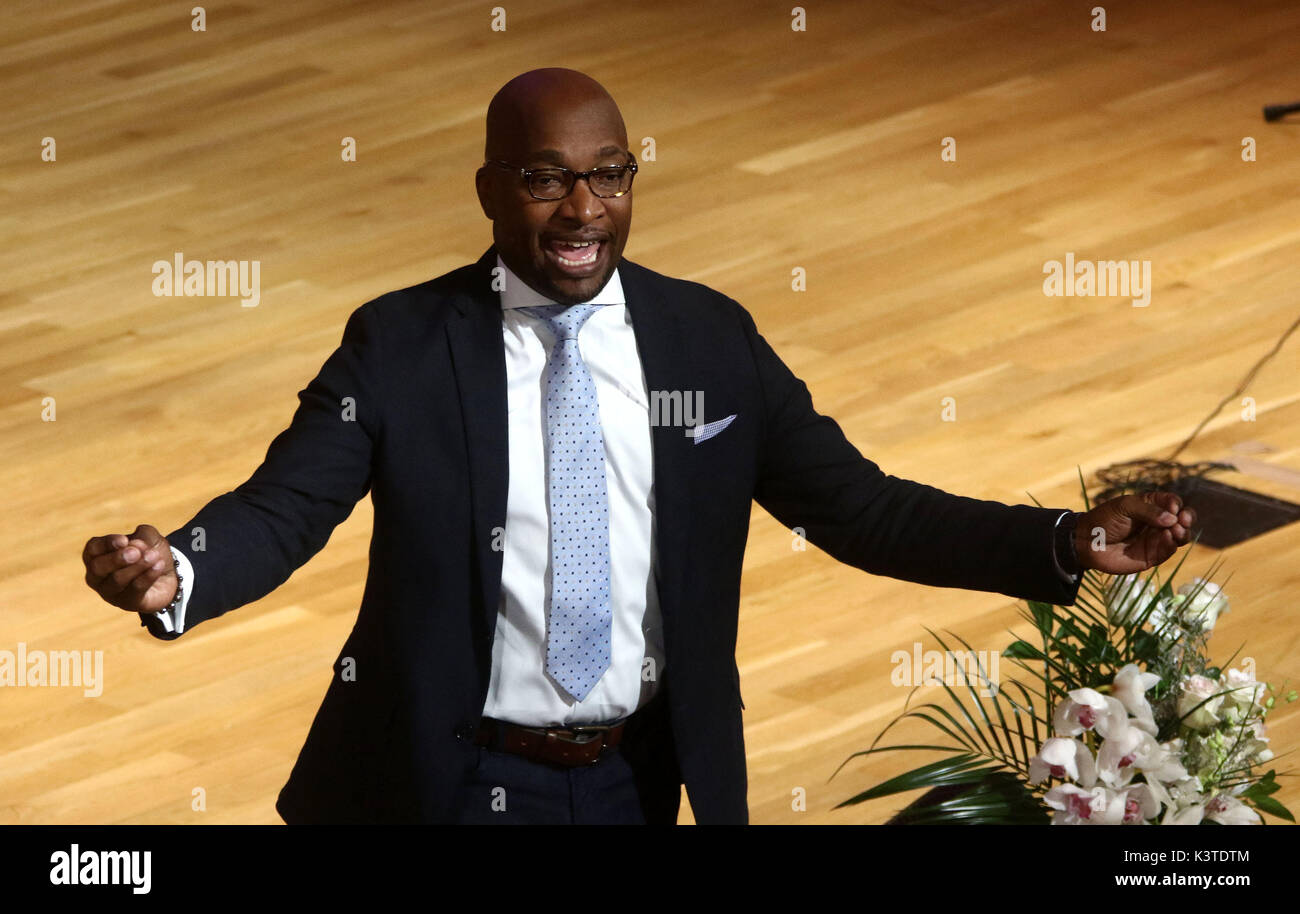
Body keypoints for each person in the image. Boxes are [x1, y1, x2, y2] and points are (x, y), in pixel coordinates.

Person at [81, 67, 1196, 824]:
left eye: (609, 173)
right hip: (442, 780)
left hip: (633, 778)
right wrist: (177, 566)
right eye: (545, 176)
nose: (583, 207)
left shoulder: (705, 338)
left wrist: (1068, 536)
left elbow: (860, 506)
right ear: (488, 190)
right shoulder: (403, 344)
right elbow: (288, 503)